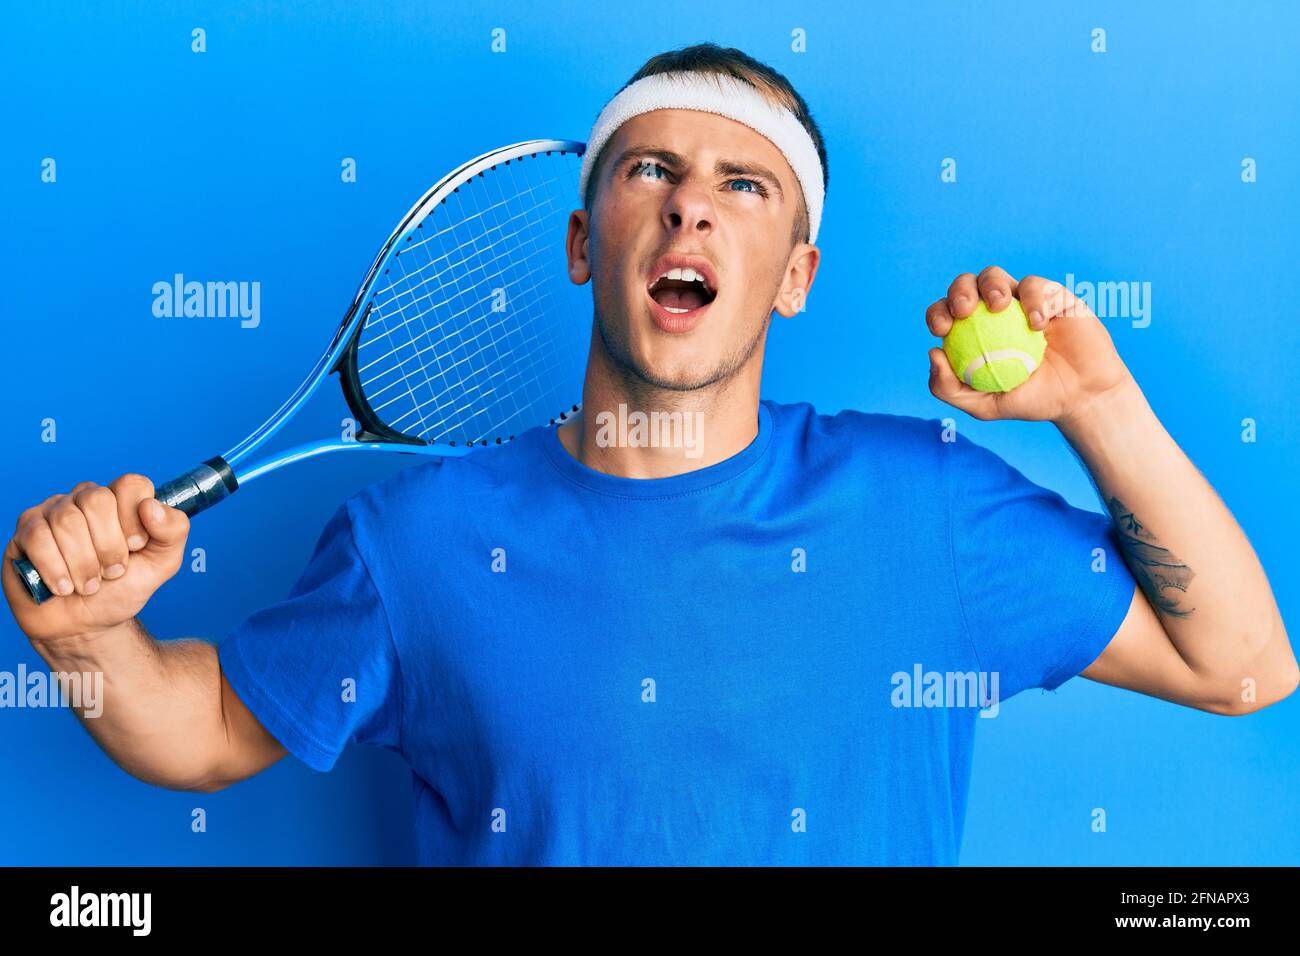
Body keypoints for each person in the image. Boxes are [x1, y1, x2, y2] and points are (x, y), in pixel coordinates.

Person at [5, 43, 1295, 866]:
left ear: (795, 277)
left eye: (746, 185)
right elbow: (210, 731)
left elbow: (1241, 667)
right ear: (583, 245)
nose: (690, 200)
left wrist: (1101, 406)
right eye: (652, 170)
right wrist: (87, 643)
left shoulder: (931, 507)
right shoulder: (422, 541)